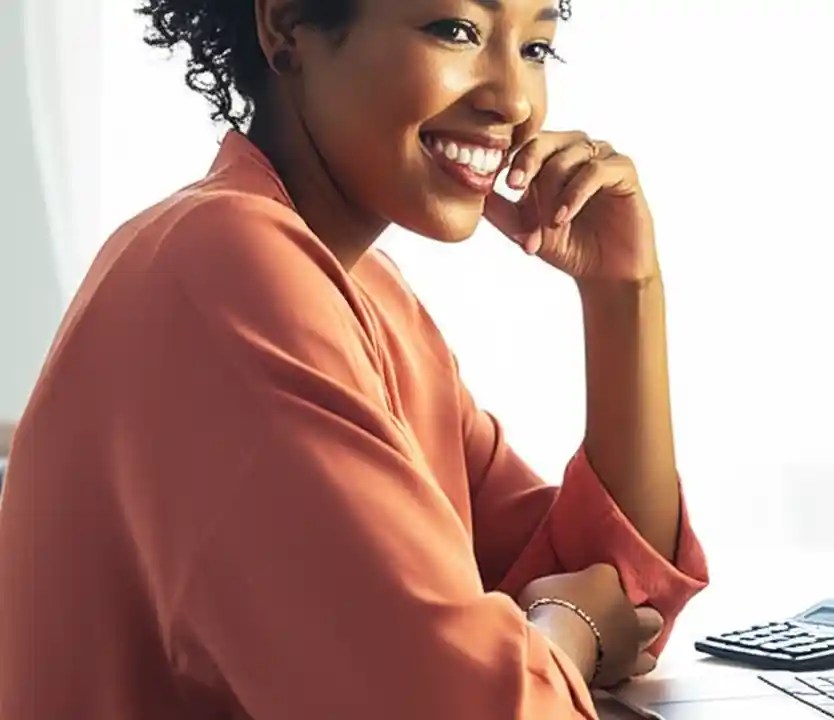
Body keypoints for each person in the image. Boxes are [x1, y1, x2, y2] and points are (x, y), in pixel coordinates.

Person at [0, 0, 709, 717]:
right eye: (456, 30)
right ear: (285, 26)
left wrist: (624, 293)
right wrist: (571, 630)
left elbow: (622, 602)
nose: (513, 101)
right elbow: (470, 702)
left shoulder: (363, 294)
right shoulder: (227, 269)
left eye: (535, 47)